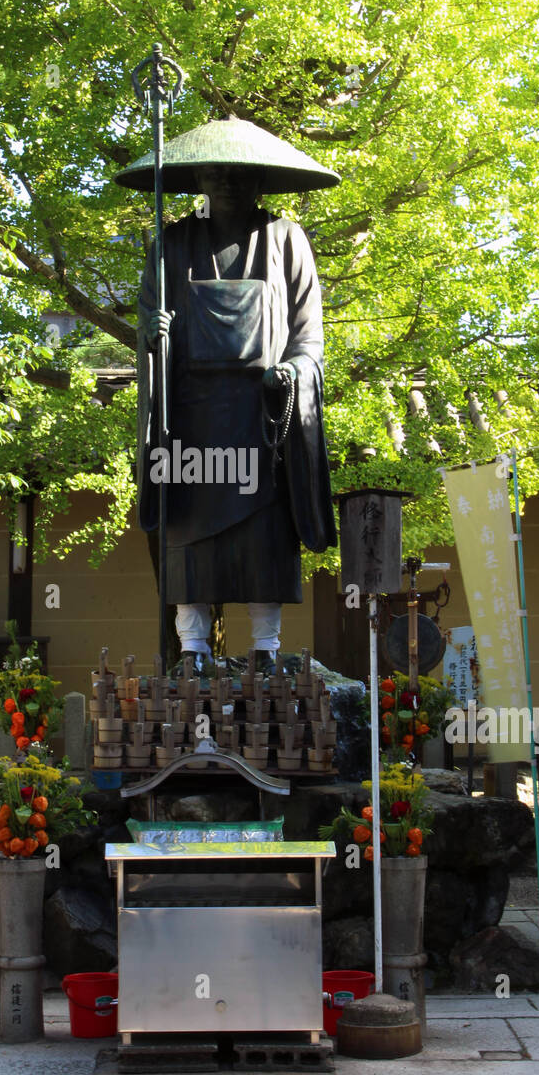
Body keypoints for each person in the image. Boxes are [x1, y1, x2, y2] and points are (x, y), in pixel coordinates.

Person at [130, 134, 337, 675]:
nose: (226, 181)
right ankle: (193, 646)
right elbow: (150, 320)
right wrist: (152, 337)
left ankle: (266, 644)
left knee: (265, 532)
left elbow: (308, 336)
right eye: (214, 172)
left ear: (262, 179)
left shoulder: (287, 241)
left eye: (240, 172)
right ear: (197, 179)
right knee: (188, 528)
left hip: (260, 417)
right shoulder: (171, 244)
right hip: (191, 422)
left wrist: (294, 370)